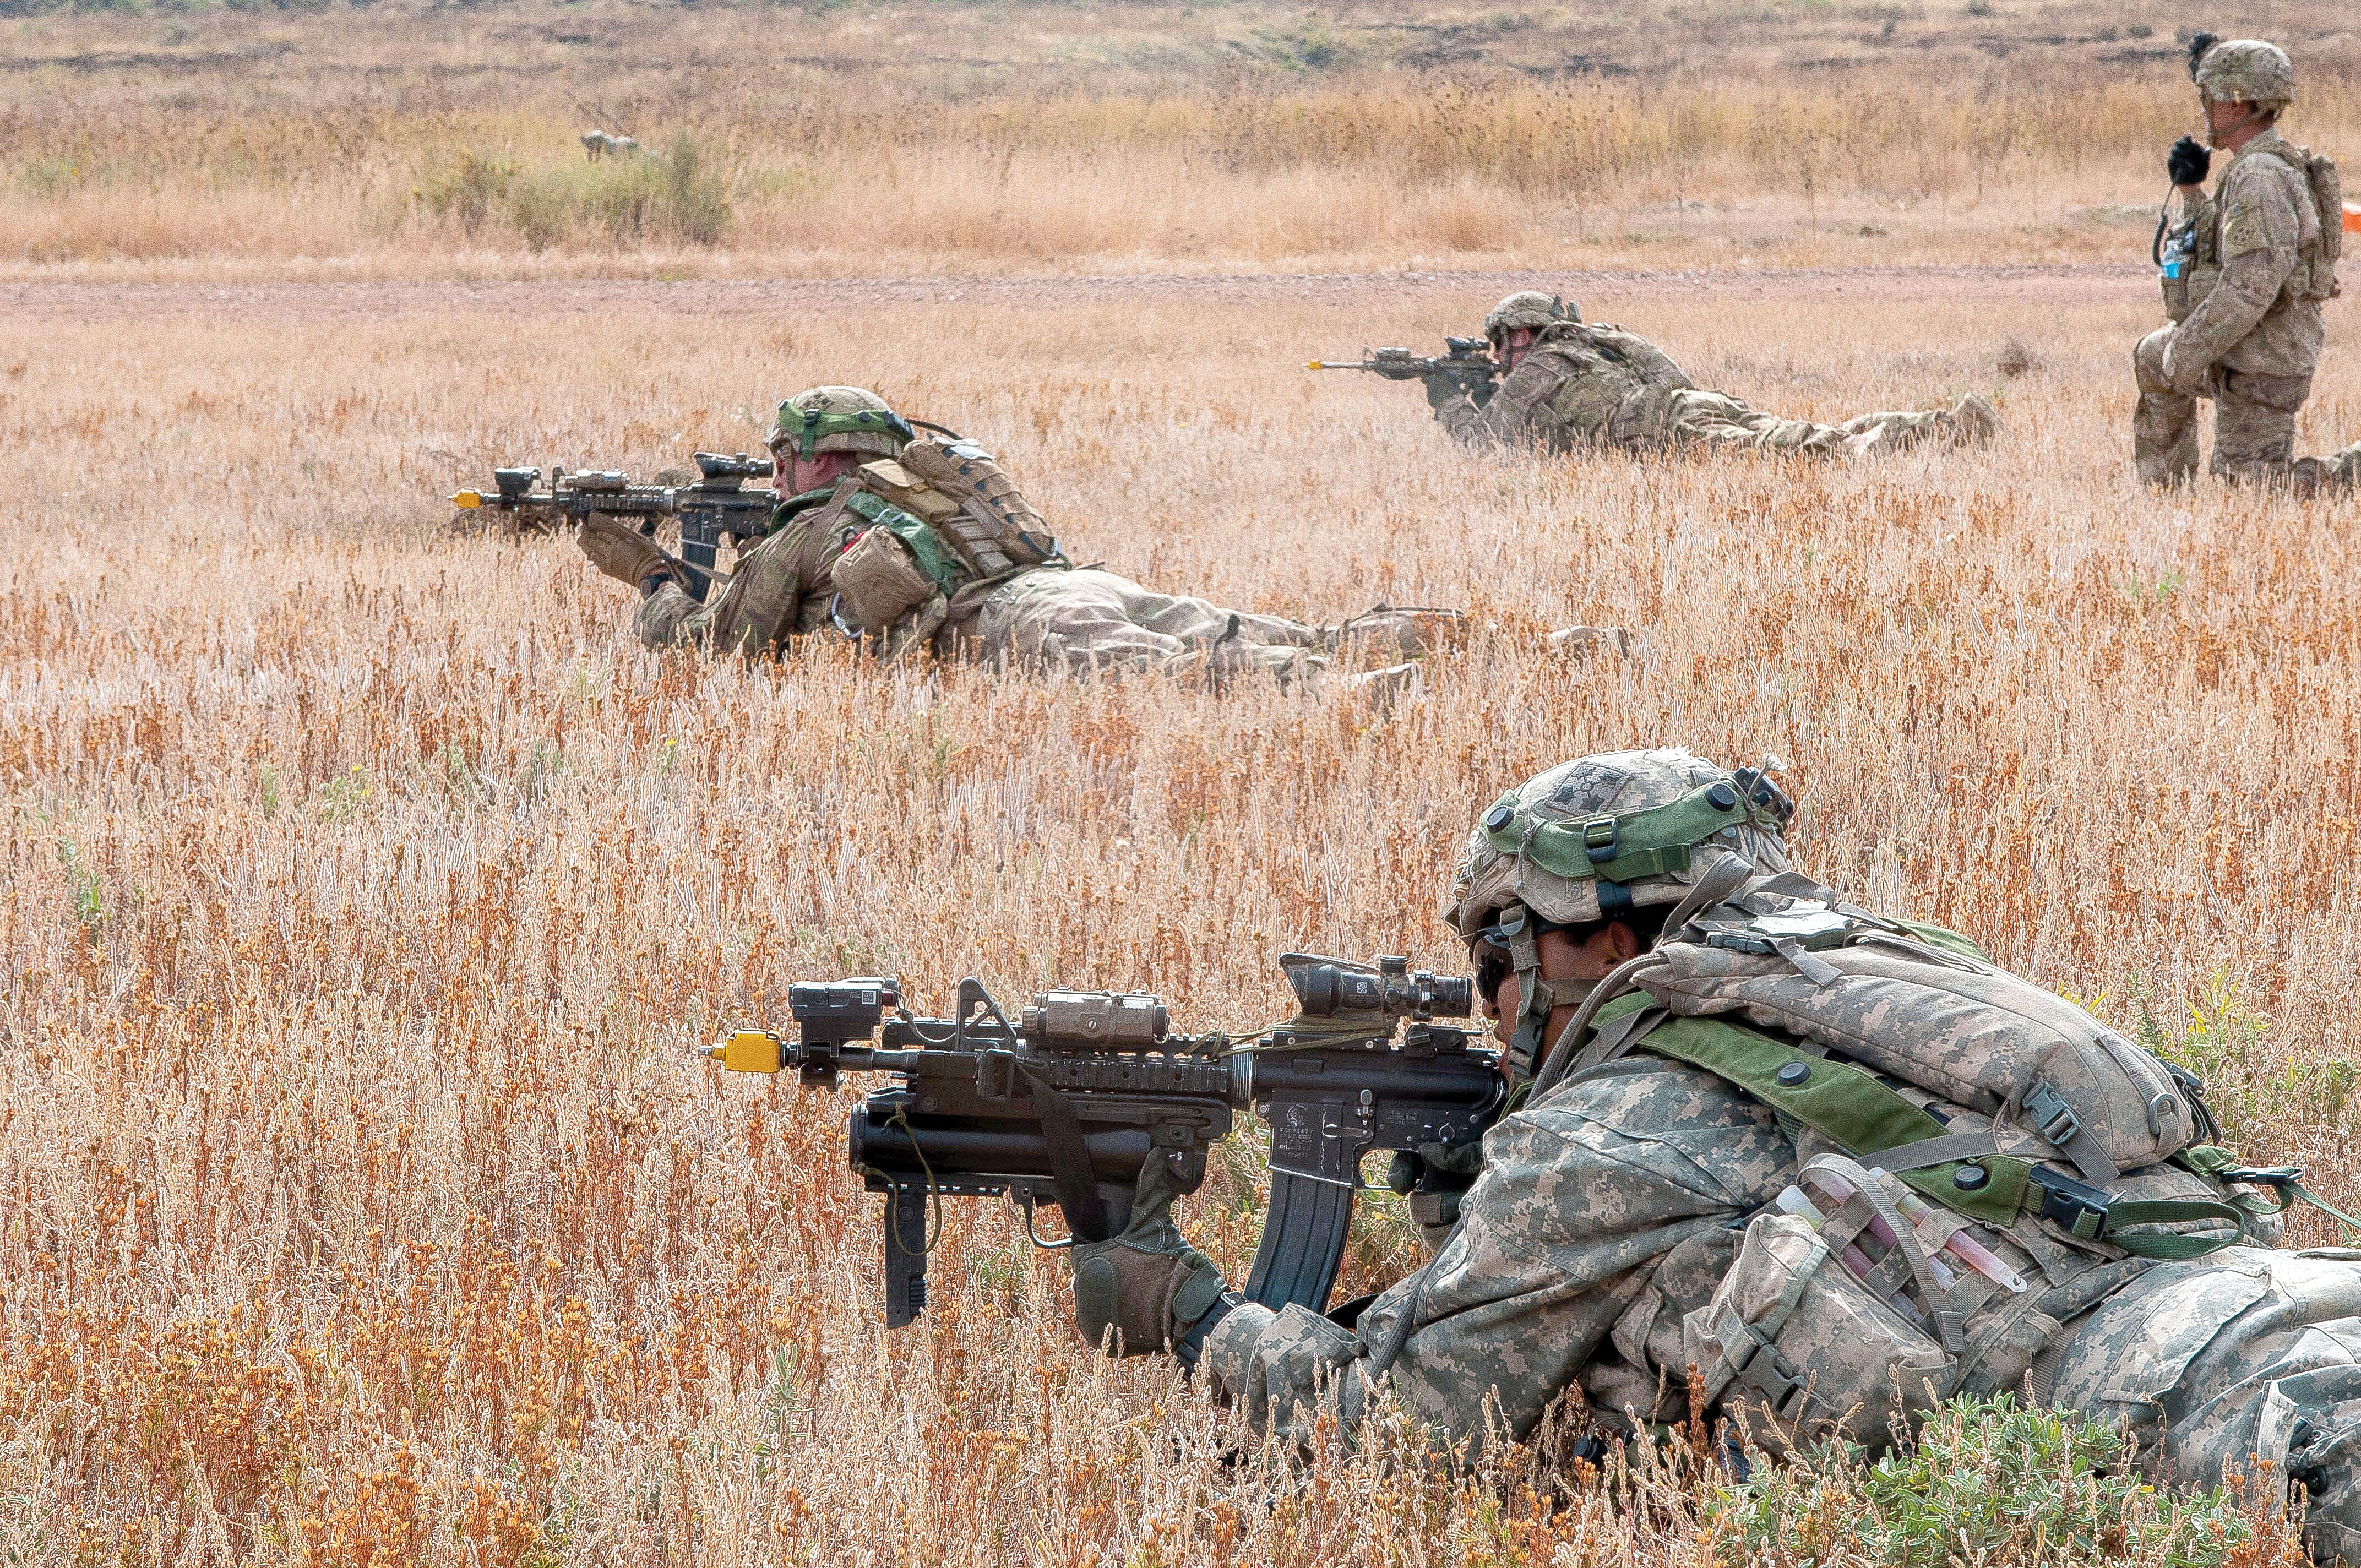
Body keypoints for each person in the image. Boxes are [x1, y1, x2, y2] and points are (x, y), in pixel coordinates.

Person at [1067, 748, 2361, 1562]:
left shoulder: (1614, 1121)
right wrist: (1476, 1219)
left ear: (1585, 940)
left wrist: (1182, 1310)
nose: (1490, 1005)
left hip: (2219, 1423)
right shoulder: (1867, 982)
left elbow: (1398, 1432)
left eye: (1494, 960)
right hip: (2292, 1300)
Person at [575, 385, 1449, 687]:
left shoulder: (814, 523)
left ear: (816, 458)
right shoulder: (927, 482)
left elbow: (716, 650)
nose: (773, 478)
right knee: (1258, 630)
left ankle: (1365, 695)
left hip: (1010, 630)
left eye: (781, 459)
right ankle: (1466, 639)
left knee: (1193, 677)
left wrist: (653, 577)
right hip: (1075, 587)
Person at [1428, 292, 2005, 459]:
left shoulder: (1542, 367)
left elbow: (1485, 444)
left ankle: (1888, 444)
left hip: (1668, 429)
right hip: (1690, 400)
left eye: (1504, 343)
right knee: (1794, 431)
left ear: (1522, 334)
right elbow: (1666, 369)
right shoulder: (1591, 346)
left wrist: (1450, 401)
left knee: (1802, 452)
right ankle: (1943, 424)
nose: (1502, 356)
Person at [2134, 36, 2342, 488]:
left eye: (2210, 96)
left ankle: (2350, 472)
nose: (2205, 106)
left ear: (2237, 102)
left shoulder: (2262, 179)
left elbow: (2247, 290)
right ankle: (2164, 488)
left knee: (2252, 491)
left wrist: (2187, 351)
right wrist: (2191, 192)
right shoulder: (2250, 168)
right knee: (2154, 357)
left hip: (2264, 363)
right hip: (2247, 346)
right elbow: (2216, 249)